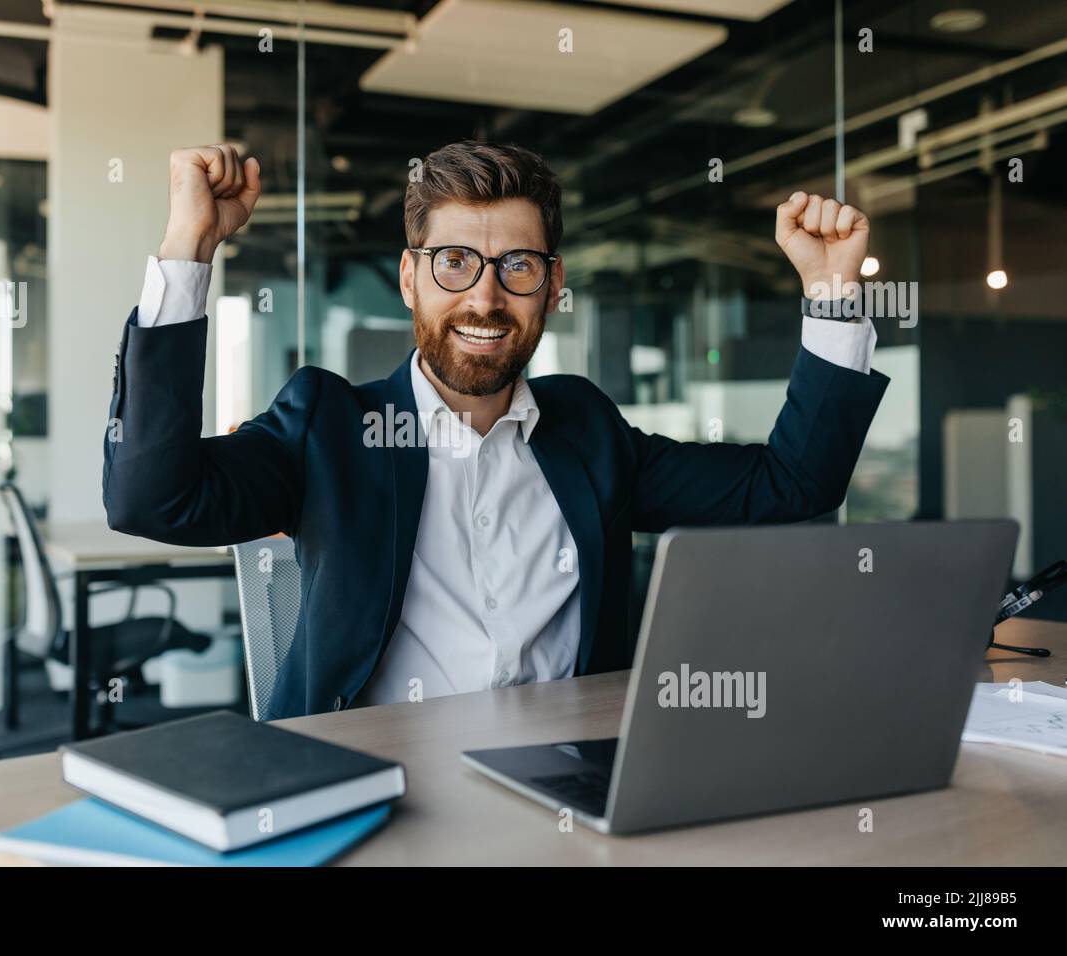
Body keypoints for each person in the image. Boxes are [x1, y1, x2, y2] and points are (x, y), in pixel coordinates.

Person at [104, 141, 888, 719]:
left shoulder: (587, 431)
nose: (485, 297)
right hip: (374, 795)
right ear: (410, 279)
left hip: (566, 802)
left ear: (552, 286)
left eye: (517, 266)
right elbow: (152, 499)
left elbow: (795, 484)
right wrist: (191, 248)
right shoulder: (331, 427)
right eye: (453, 262)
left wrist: (831, 293)